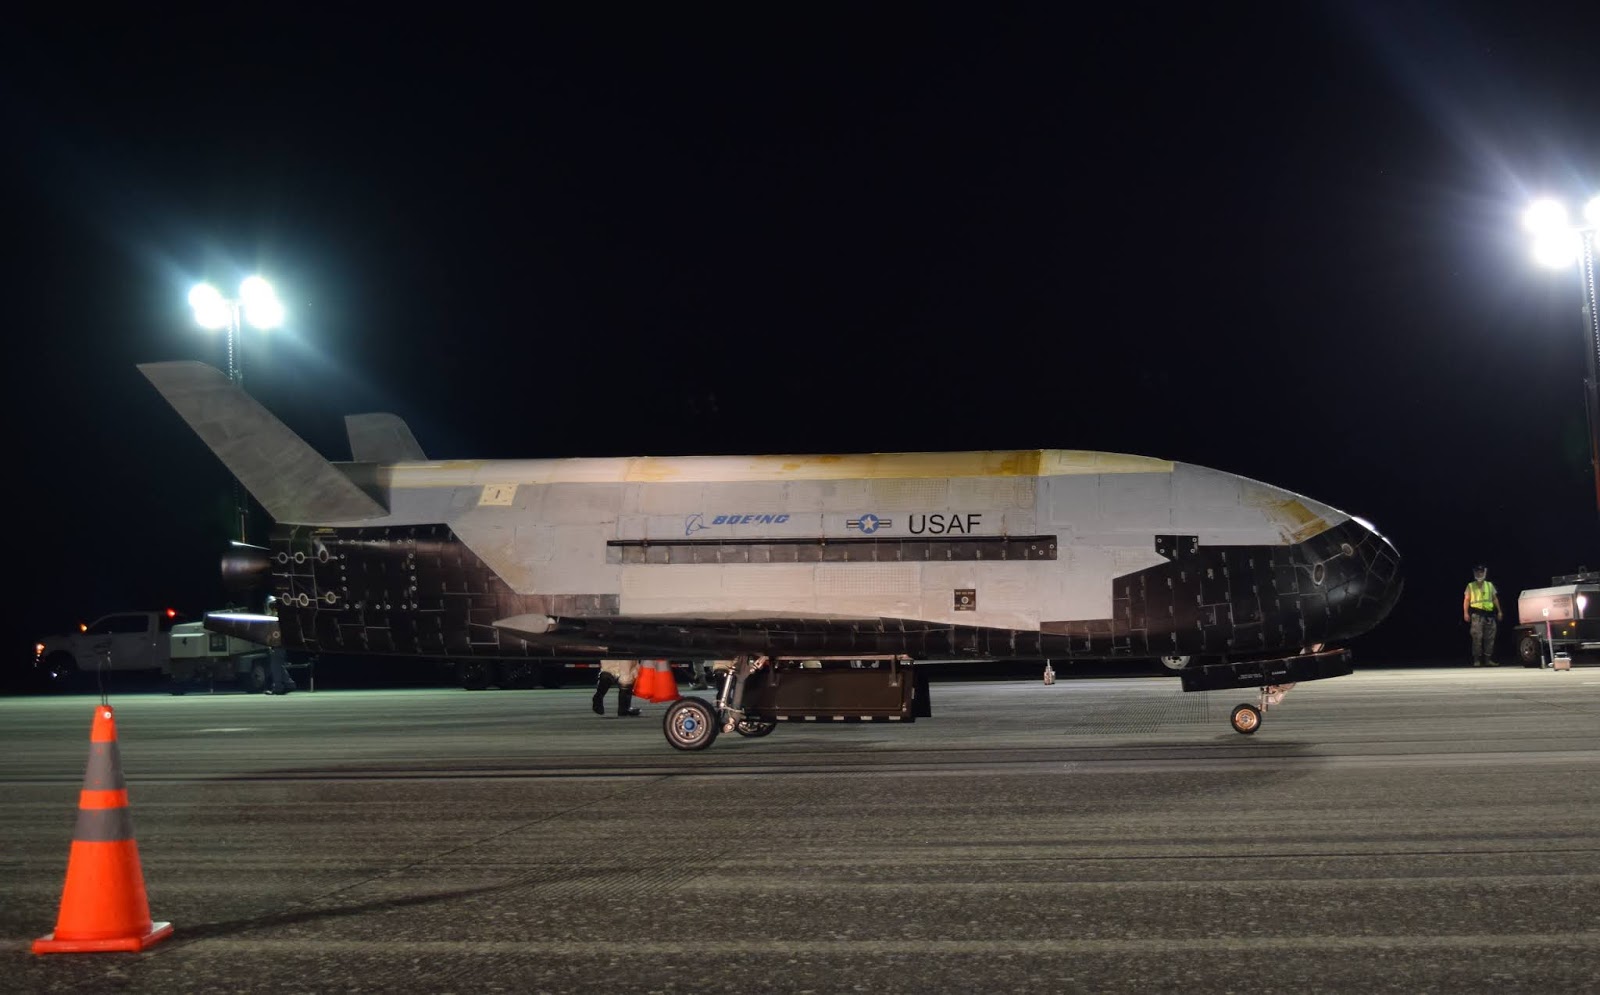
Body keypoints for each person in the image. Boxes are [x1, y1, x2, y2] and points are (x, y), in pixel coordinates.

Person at [1462, 564, 1504, 667]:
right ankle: (1477, 659)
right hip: (1477, 615)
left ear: (1484, 572)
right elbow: (1466, 600)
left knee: (1490, 638)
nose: (1479, 573)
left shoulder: (1489, 585)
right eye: (1477, 572)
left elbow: (1494, 598)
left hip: (1489, 615)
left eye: (1481, 572)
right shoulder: (1471, 586)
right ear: (1474, 573)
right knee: (1477, 637)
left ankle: (1488, 659)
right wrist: (1465, 613)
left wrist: (1499, 611)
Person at [262, 595, 298, 694]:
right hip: (281, 644)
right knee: (279, 665)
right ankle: (289, 684)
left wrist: (271, 643)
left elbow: (273, 633)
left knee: (275, 666)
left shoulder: (274, 617)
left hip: (278, 644)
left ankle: (278, 687)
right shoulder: (277, 616)